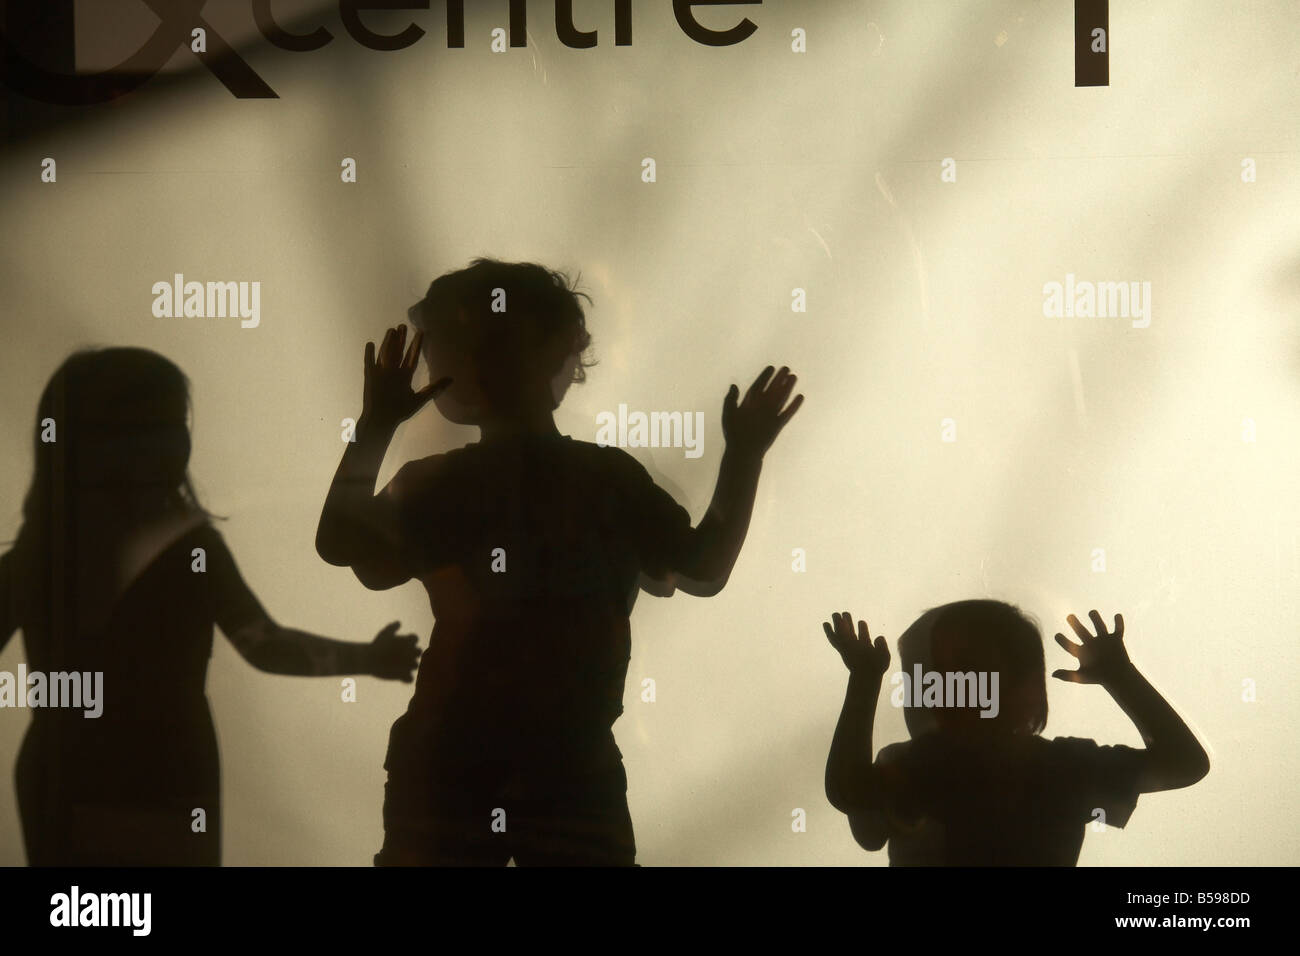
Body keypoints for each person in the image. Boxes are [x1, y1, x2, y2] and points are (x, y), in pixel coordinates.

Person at [316, 258, 803, 865]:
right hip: (560, 761)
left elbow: (342, 544)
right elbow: (702, 567)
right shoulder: (603, 479)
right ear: (560, 358)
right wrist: (744, 456)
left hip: (463, 760)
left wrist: (377, 425)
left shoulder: (447, 483)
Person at [0, 347, 419, 865]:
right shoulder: (182, 549)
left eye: (171, 423)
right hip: (163, 774)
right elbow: (265, 646)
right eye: (144, 425)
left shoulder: (43, 552)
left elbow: (265, 647)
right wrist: (366, 660)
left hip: (93, 774)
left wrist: (366, 660)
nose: (168, 441)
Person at [822, 600, 1209, 865]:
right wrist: (1120, 677)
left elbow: (857, 808)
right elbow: (1184, 763)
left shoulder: (915, 765)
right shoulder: (1066, 767)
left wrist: (863, 682)